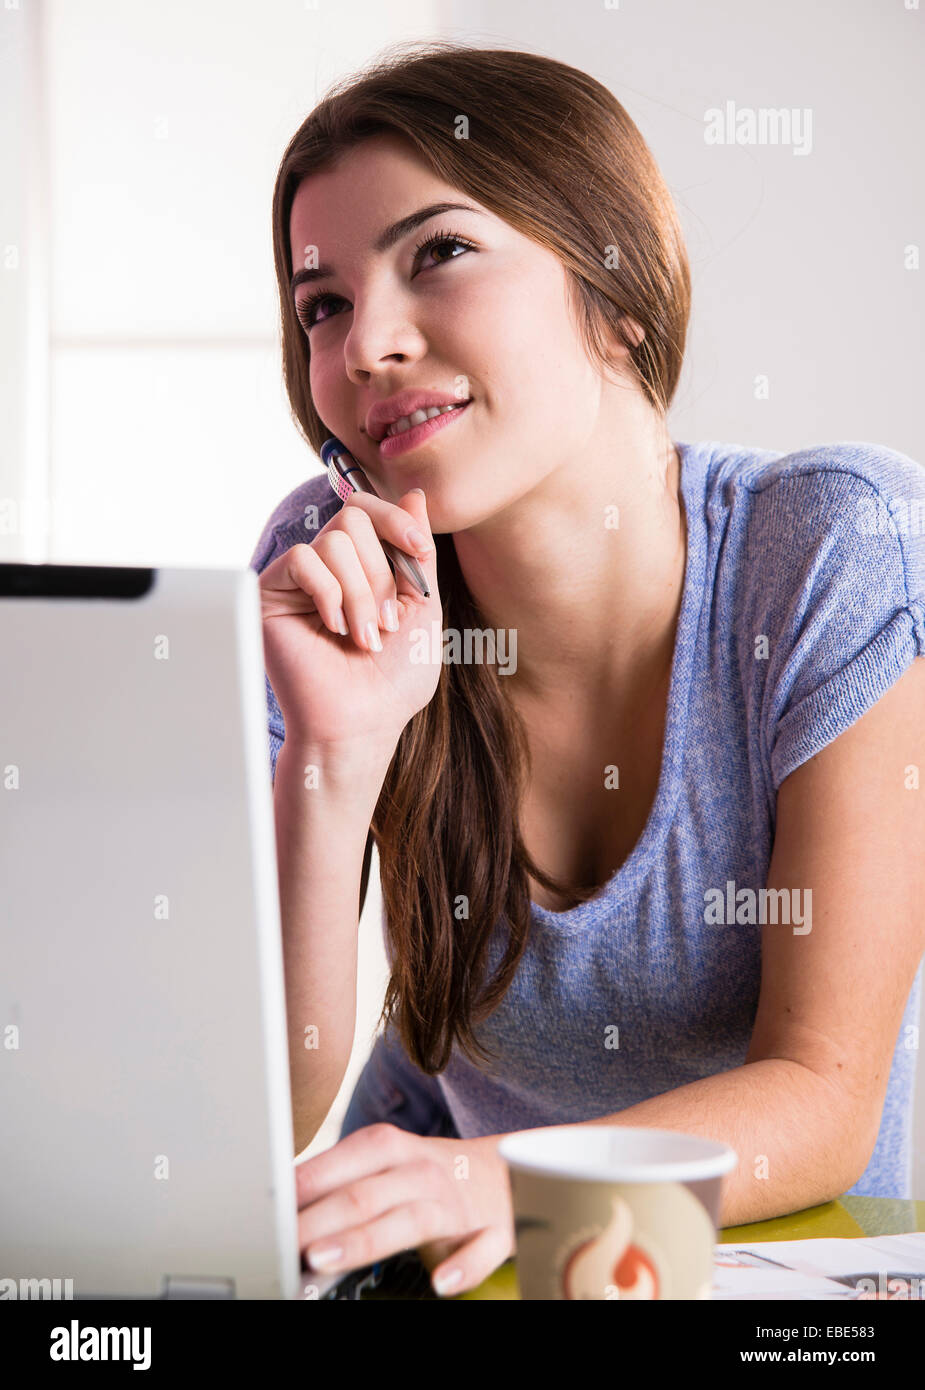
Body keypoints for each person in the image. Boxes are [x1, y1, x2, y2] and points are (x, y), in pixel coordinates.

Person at [252, 41, 925, 1296]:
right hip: (459, 1259)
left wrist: (497, 1182)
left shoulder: (828, 550)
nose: (365, 345)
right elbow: (275, 1098)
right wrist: (335, 760)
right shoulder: (330, 573)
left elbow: (825, 1093)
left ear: (612, 288)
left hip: (758, 1276)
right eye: (321, 303)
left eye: (436, 253)